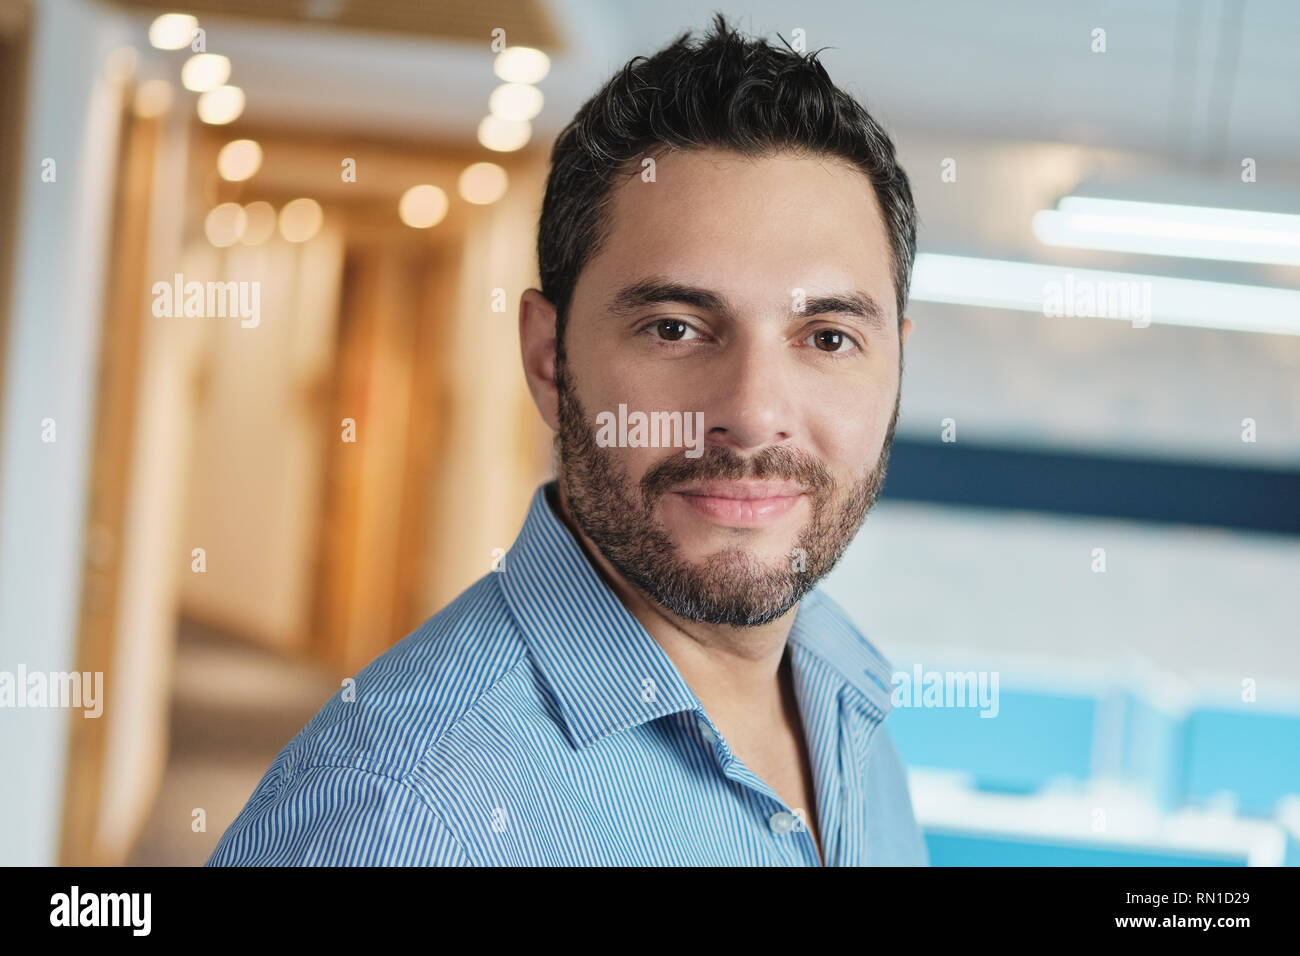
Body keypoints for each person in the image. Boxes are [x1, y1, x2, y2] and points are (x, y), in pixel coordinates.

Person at [208, 12, 925, 866]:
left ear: (895, 367)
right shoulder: (406, 815)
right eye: (675, 328)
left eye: (828, 338)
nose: (753, 412)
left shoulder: (849, 715)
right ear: (549, 360)